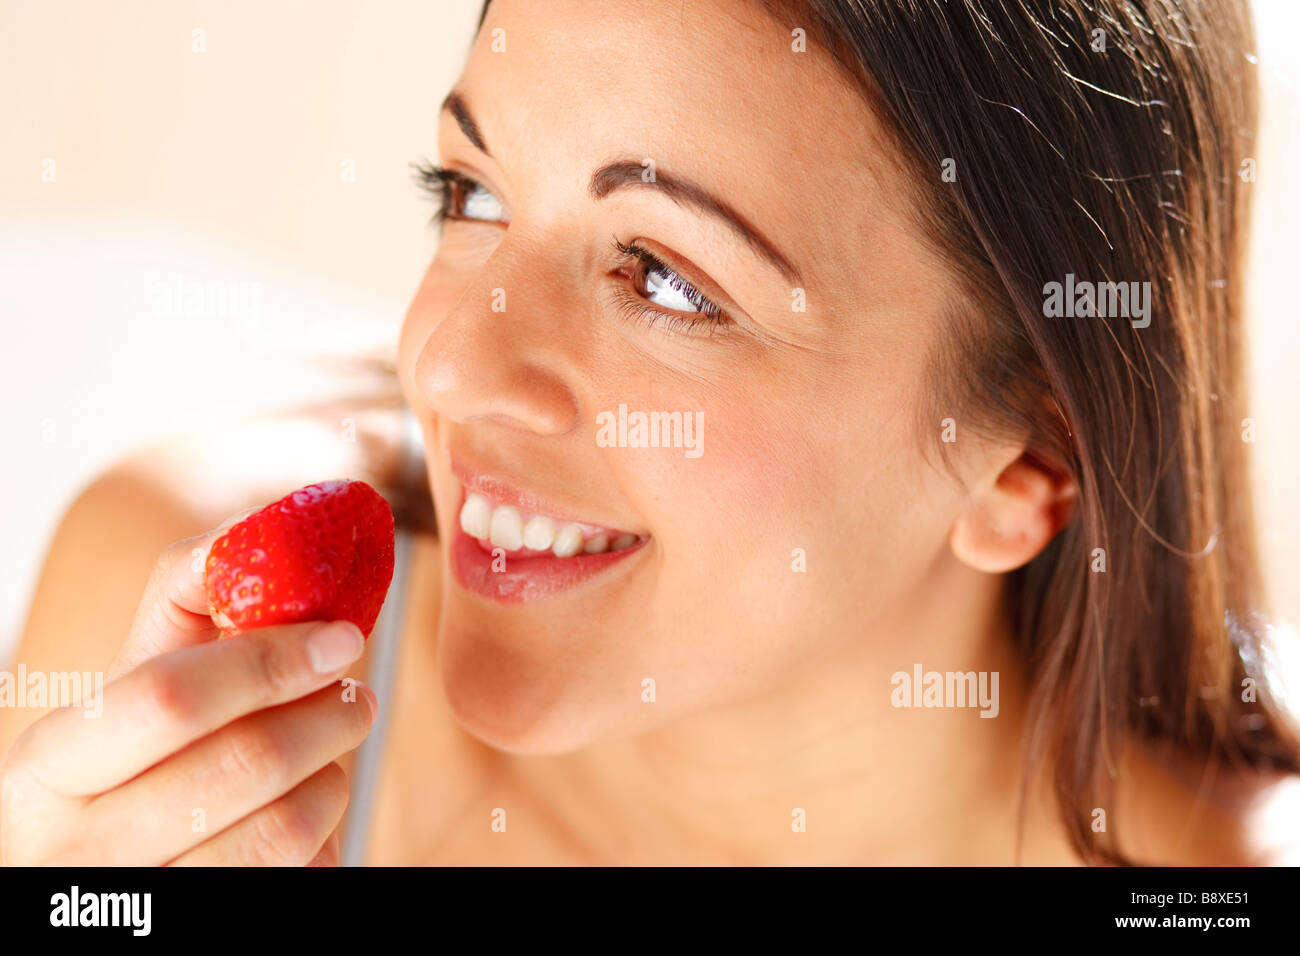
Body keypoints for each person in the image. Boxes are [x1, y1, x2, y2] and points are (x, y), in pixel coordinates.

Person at [2, 0, 1297, 866]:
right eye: (473, 191)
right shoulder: (171, 628)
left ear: (1029, 465)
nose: (450, 363)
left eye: (668, 279)